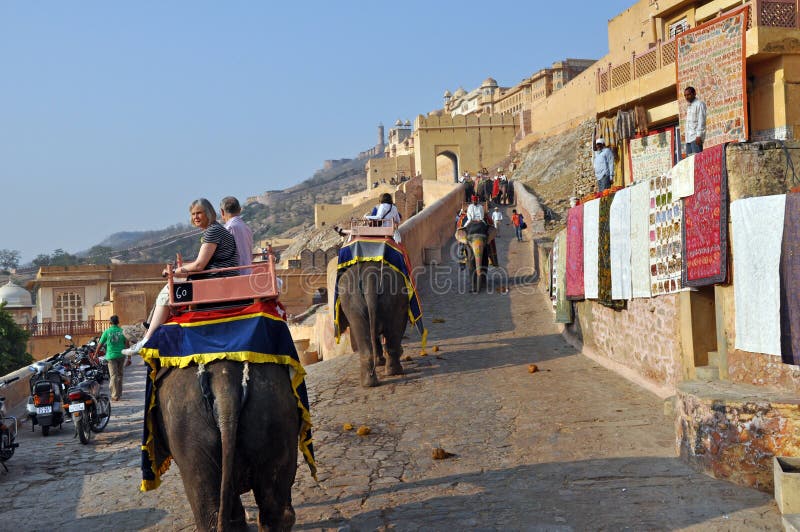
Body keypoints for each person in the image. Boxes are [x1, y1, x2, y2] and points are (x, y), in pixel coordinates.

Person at [123, 198, 239, 356]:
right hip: (217, 277)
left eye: (199, 213)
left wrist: (176, 271)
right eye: (193, 214)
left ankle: (147, 338)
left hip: (215, 280)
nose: (195, 217)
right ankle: (147, 331)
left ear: (209, 214)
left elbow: (199, 265)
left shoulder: (213, 231)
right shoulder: (215, 230)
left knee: (167, 292)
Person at [97, 315, 129, 401]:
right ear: (118, 322)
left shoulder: (107, 332)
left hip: (111, 356)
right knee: (120, 375)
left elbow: (100, 344)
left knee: (113, 375)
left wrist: (95, 354)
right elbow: (127, 344)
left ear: (110, 322)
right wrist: (129, 358)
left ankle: (115, 395)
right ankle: (118, 393)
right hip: (121, 355)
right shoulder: (122, 331)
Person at [220, 196, 254, 274]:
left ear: (222, 212)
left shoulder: (228, 228)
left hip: (236, 275)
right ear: (239, 210)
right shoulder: (247, 228)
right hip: (249, 273)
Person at [684, 86, 707, 155]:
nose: (686, 97)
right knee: (690, 163)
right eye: (685, 95)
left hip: (695, 138)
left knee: (697, 161)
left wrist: (699, 136)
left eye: (688, 95)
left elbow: (701, 121)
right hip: (688, 139)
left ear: (694, 94)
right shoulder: (689, 107)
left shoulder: (700, 104)